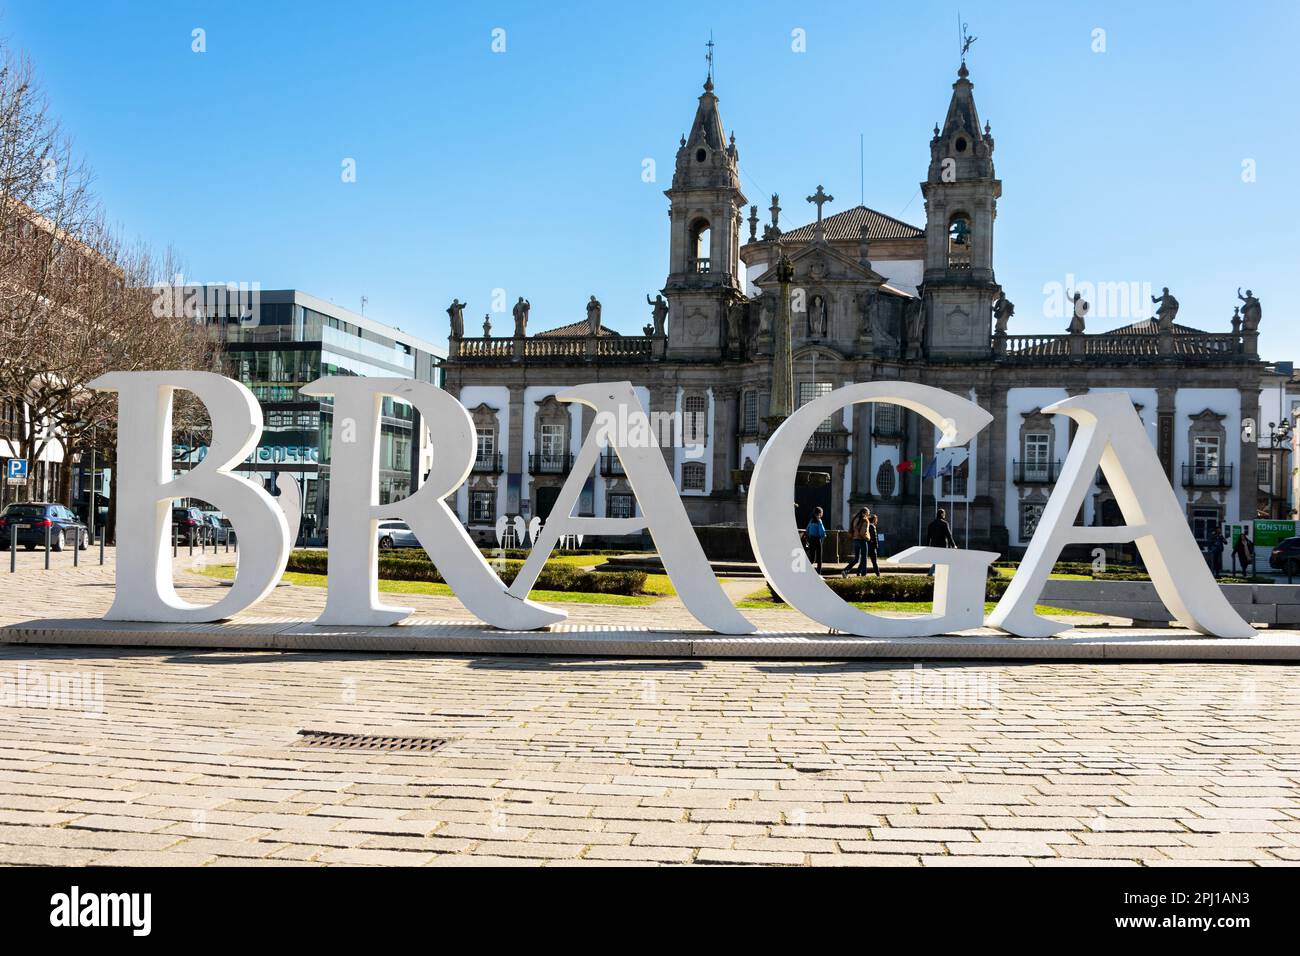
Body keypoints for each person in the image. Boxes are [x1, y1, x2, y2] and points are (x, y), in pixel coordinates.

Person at [925, 508, 957, 576]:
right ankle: (931, 573)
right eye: (944, 514)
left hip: (933, 546)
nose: (945, 515)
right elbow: (949, 535)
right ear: (942, 514)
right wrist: (954, 545)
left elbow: (928, 537)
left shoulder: (931, 524)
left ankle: (936, 574)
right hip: (942, 546)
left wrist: (927, 547)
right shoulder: (944, 523)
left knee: (937, 560)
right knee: (940, 561)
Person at [842, 507, 870, 576]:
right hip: (862, 540)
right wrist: (868, 538)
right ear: (864, 513)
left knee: (856, 559)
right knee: (864, 559)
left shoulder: (855, 519)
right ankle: (864, 575)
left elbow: (852, 529)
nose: (868, 515)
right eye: (867, 513)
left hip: (855, 540)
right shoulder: (865, 520)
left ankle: (845, 570)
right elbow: (863, 532)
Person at [804, 507, 827, 573]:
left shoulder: (811, 520)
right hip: (817, 540)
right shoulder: (819, 521)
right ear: (820, 513)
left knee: (812, 558)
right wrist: (823, 535)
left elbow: (807, 530)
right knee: (819, 558)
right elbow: (821, 532)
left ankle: (807, 570)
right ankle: (818, 573)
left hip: (811, 540)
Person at [867, 512, 881, 577]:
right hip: (872, 546)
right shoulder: (872, 526)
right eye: (876, 519)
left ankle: (859, 572)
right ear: (873, 520)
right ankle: (878, 574)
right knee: (874, 562)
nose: (876, 521)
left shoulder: (869, 525)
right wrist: (876, 546)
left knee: (863, 561)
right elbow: (874, 537)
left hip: (869, 545)